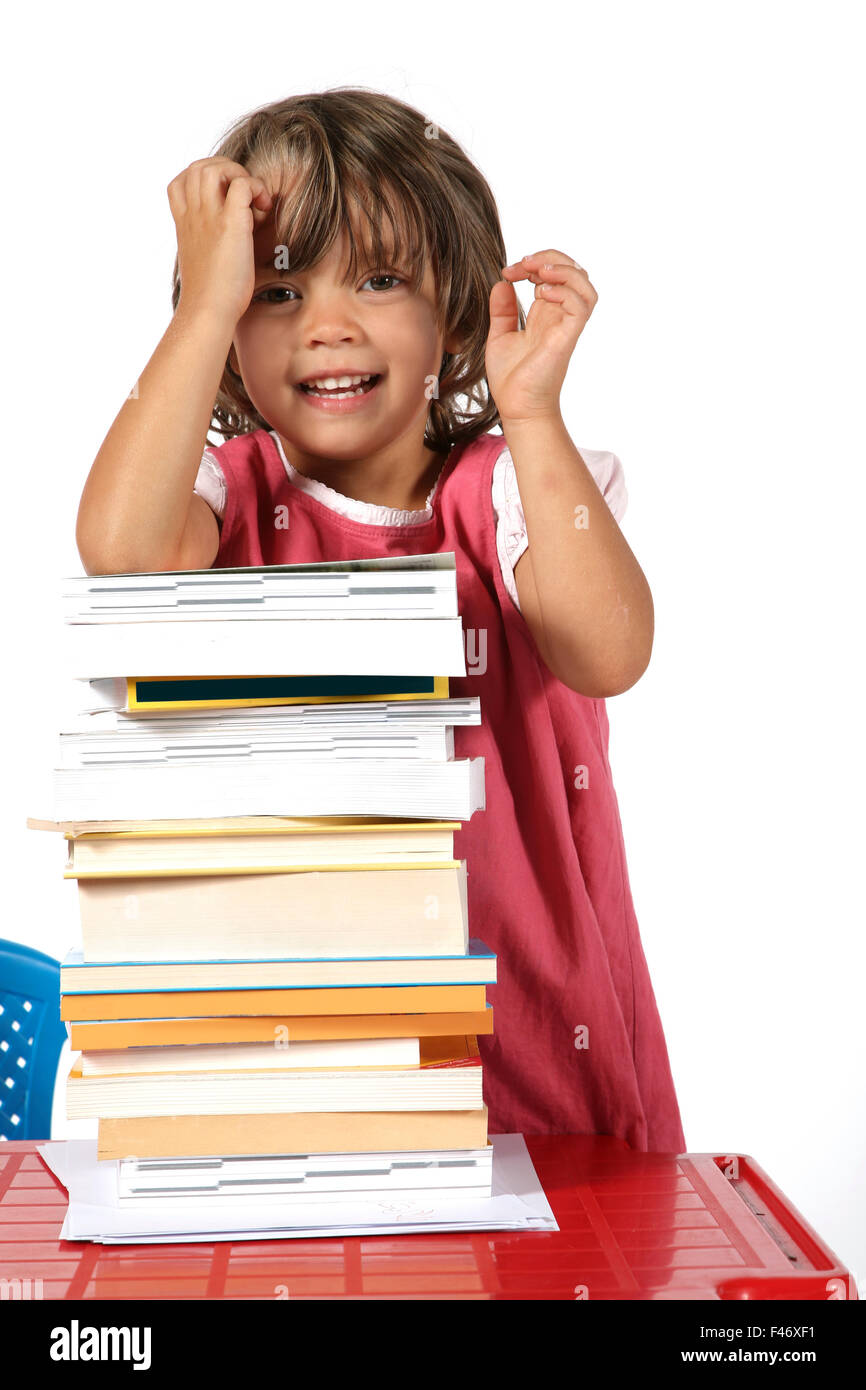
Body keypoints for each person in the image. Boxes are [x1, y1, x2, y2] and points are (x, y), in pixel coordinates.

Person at [76, 87, 686, 1150]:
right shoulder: (223, 497)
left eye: (378, 278)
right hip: (299, 1054)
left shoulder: (508, 492)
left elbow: (609, 650)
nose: (326, 324)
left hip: (525, 1041)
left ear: (453, 309)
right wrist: (202, 303)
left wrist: (533, 412)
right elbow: (122, 552)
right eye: (273, 291)